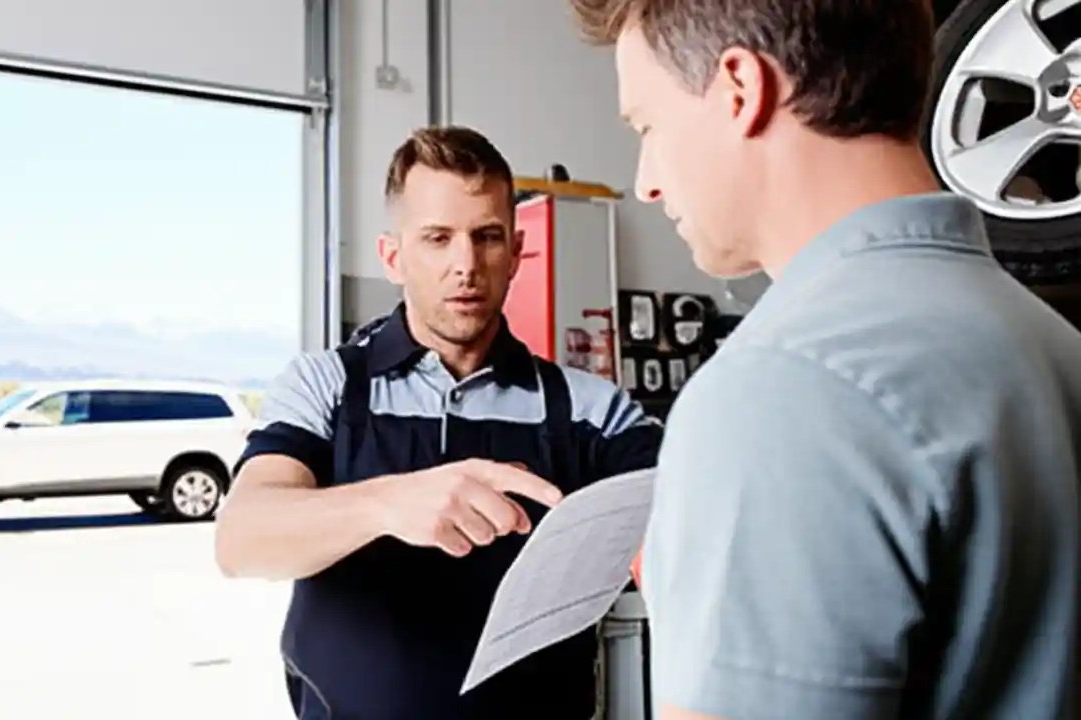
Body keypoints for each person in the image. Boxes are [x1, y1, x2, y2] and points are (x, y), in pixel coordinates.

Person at [569, 1, 1080, 719]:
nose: (646, 180)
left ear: (739, 90)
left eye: (646, 126)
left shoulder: (779, 387)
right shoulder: (1050, 341)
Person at [213, 125, 662, 720]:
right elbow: (242, 540)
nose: (466, 265)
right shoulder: (327, 387)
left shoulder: (588, 408)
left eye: (487, 237)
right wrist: (387, 504)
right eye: (437, 238)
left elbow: (686, 526)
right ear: (394, 257)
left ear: (517, 251)